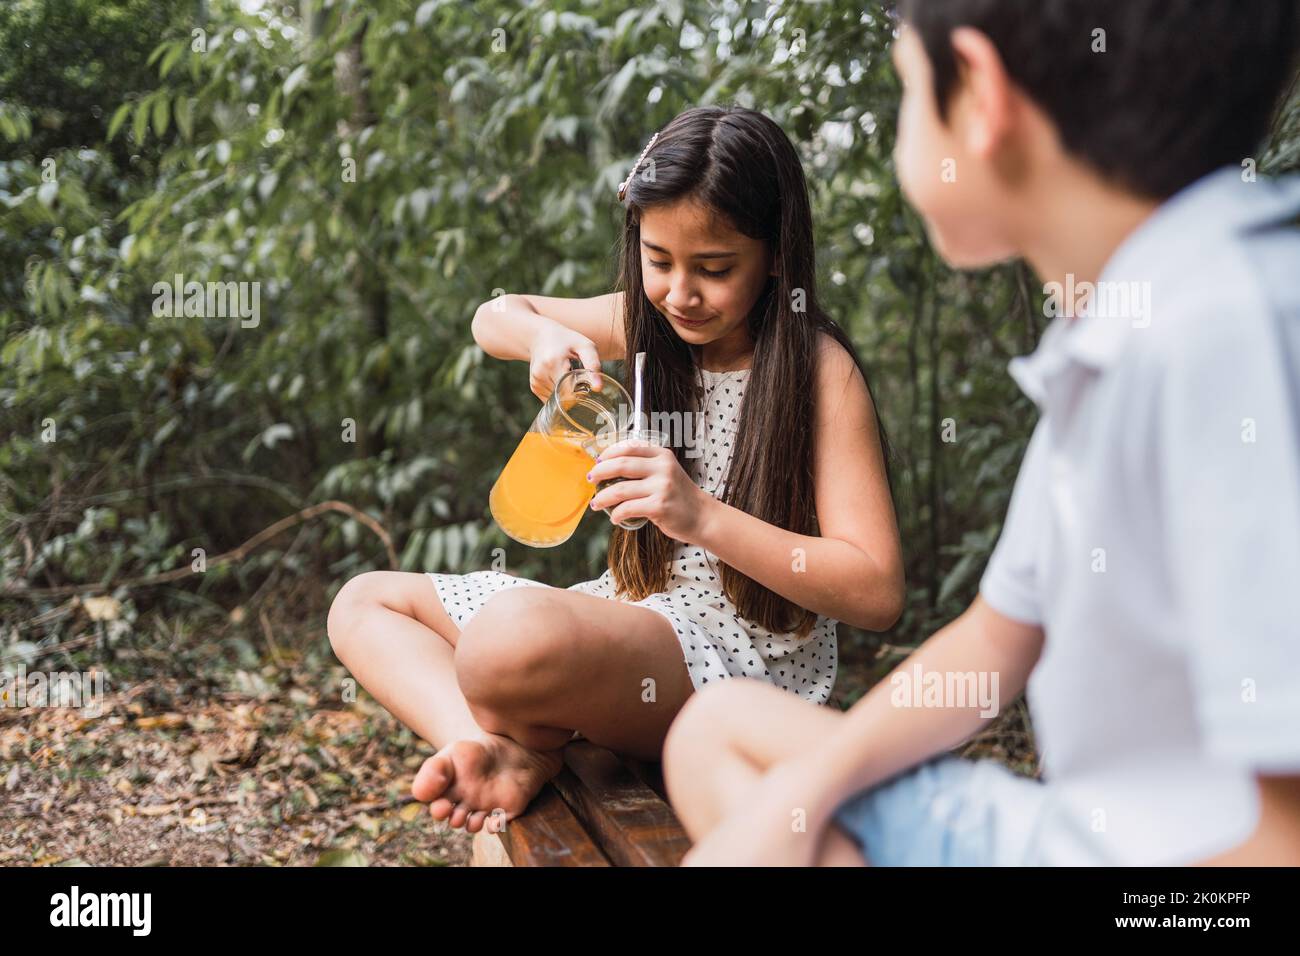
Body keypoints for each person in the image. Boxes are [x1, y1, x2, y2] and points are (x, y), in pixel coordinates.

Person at [667, 0, 1300, 866]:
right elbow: (997, 639)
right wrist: (801, 802)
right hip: (1083, 836)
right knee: (716, 732)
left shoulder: (1226, 335)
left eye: (906, 91)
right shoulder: (1117, 333)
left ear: (980, 96)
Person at [326, 105, 904, 835]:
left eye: (715, 268)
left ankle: (520, 736)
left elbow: (877, 590)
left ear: (778, 254)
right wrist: (541, 335)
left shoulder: (821, 374)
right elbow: (493, 314)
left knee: (505, 642)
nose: (680, 293)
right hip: (630, 614)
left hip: (736, 659)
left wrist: (699, 516)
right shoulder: (645, 325)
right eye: (658, 261)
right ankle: (486, 745)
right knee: (363, 603)